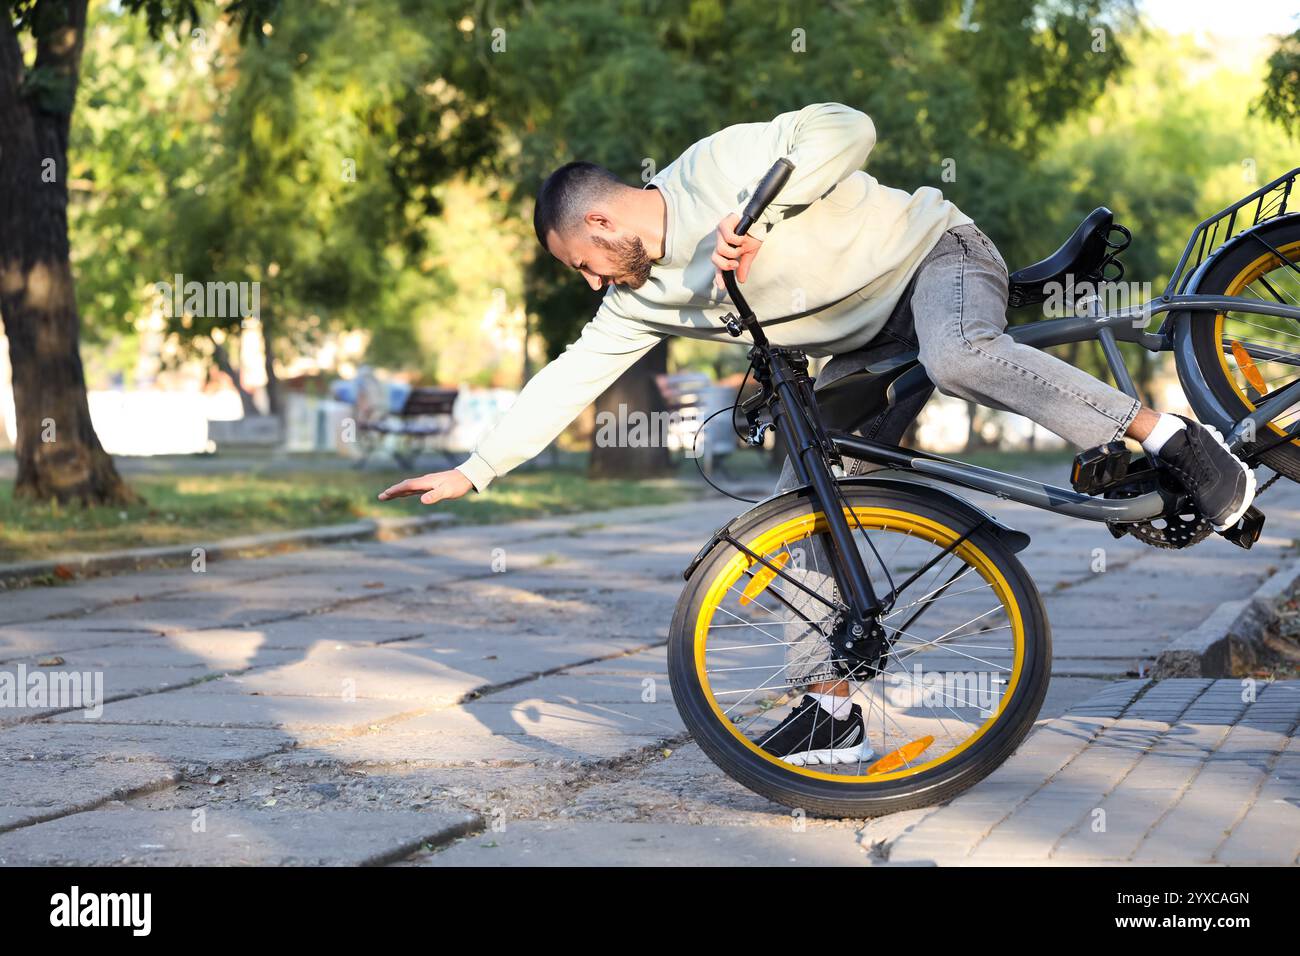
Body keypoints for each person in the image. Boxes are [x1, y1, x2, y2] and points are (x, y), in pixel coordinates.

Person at [378, 103, 1255, 765]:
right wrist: (475, 468)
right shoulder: (638, 296)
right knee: (811, 497)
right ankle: (830, 708)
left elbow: (849, 127)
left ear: (600, 224)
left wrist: (757, 216)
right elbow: (570, 374)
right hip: (863, 338)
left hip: (933, 259)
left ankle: (1173, 439)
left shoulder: (715, 167)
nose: (588, 283)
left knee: (958, 356)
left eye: (581, 263)